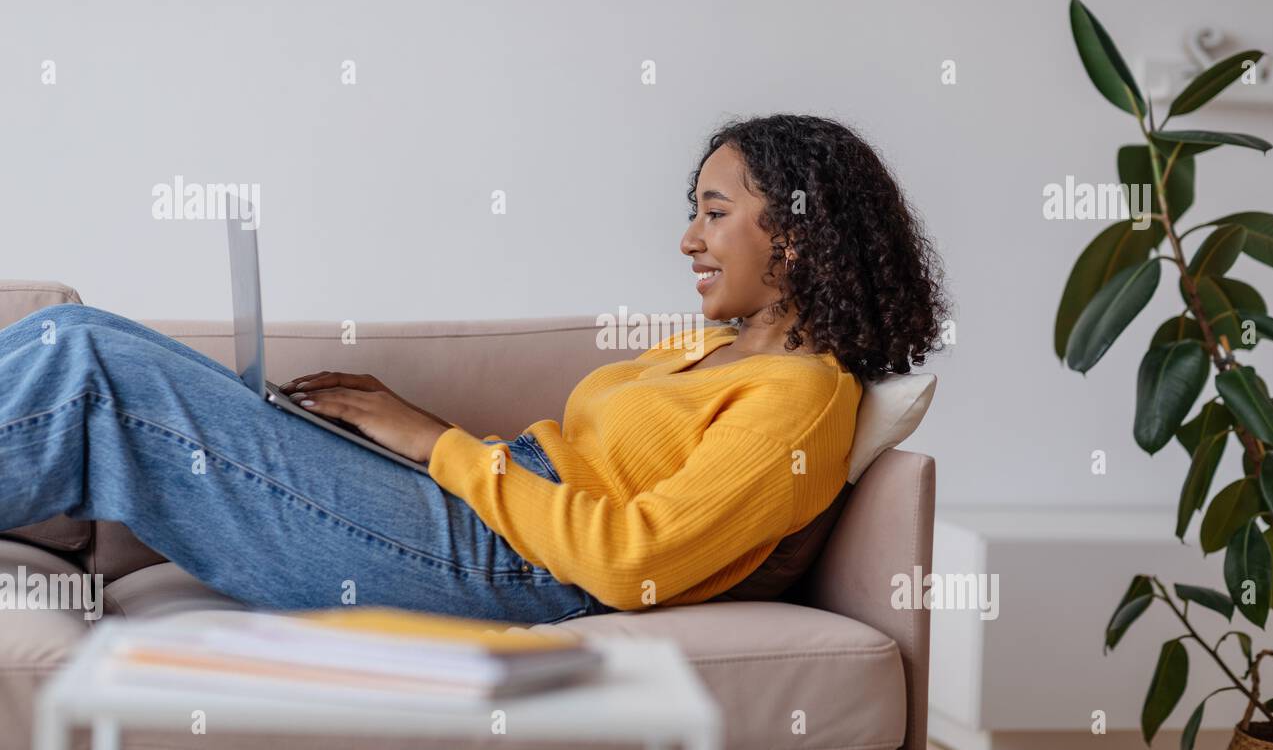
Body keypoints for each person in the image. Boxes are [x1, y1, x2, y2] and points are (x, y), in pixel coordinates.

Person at [0, 114, 948, 623]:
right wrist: (416, 440)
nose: (688, 238)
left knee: (83, 364)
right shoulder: (716, 348)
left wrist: (437, 444)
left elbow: (635, 563)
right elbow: (564, 470)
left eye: (713, 211)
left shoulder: (804, 398)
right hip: (477, 513)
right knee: (84, 330)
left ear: (795, 229)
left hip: (505, 564)